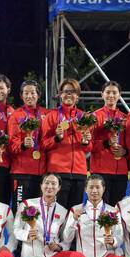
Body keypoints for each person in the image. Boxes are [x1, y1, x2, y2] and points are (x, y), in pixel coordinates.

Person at [14, 172, 85, 257]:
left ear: (59, 188)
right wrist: (27, 234)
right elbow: (16, 230)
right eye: (47, 183)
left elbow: (65, 240)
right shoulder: (27, 204)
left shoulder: (62, 211)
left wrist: (59, 246)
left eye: (54, 184)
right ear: (41, 186)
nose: (50, 186)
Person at [40, 78, 90, 209]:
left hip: (79, 172)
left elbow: (90, 147)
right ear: (60, 95)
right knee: (57, 214)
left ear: (77, 96)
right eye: (66, 91)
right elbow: (43, 144)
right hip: (58, 172)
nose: (69, 94)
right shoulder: (52, 116)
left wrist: (86, 142)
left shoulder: (83, 117)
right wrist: (57, 138)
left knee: (75, 215)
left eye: (73, 91)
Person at [89, 81, 130, 206]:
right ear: (102, 94)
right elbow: (88, 145)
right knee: (101, 208)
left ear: (119, 95)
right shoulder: (94, 117)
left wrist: (126, 152)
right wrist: (106, 143)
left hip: (121, 171)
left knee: (118, 209)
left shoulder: (126, 118)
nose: (111, 95)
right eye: (108, 92)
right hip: (101, 170)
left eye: (114, 92)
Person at [8, 78, 48, 208]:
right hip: (21, 172)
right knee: (20, 212)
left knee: (39, 213)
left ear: (38, 95)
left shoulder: (46, 114)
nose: (29, 96)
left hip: (41, 173)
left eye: (33, 93)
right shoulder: (16, 116)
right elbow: (11, 146)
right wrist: (23, 145)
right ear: (21, 95)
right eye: (26, 93)